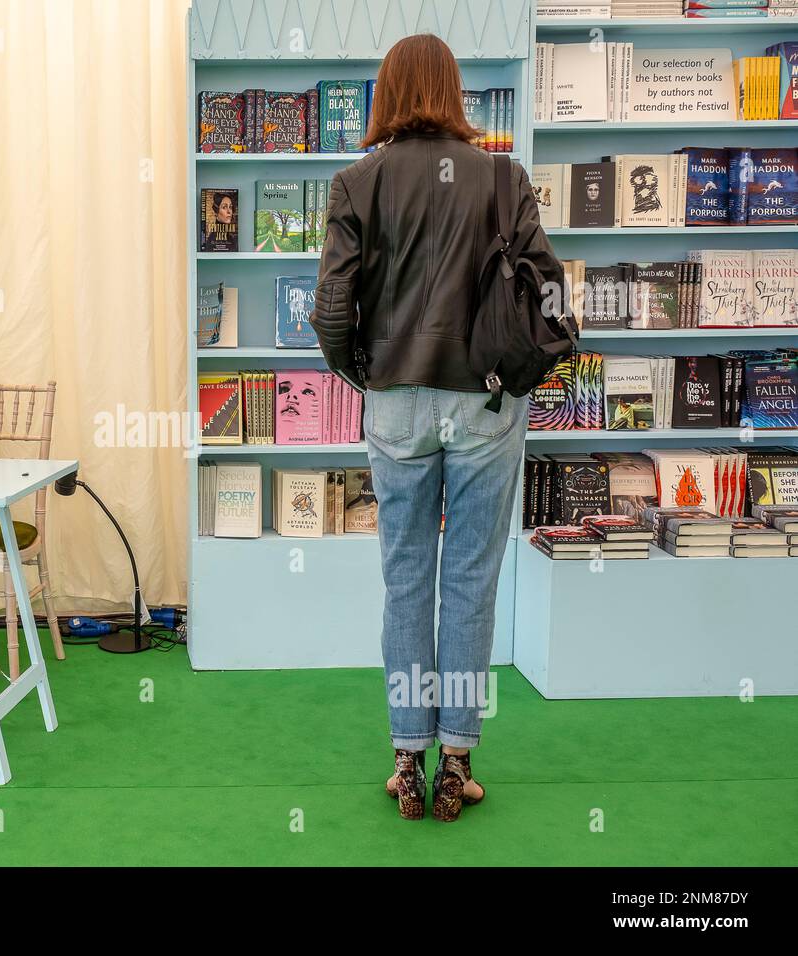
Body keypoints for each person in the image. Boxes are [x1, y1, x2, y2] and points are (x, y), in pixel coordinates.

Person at [310, 35, 566, 821]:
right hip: (487, 398)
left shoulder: (357, 181)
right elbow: (549, 294)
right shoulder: (502, 176)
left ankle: (406, 760)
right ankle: (458, 761)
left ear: (386, 95)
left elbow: (329, 308)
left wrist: (368, 372)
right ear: (455, 94)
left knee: (406, 580)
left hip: (396, 399)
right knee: (471, 582)